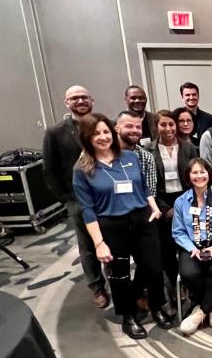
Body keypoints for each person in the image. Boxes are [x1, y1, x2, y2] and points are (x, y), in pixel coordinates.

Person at [71, 113, 171, 338]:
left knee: (153, 268)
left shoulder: (129, 157)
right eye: (96, 133)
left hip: (142, 218)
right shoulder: (83, 169)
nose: (103, 137)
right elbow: (87, 210)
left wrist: (154, 207)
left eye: (106, 131)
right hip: (111, 224)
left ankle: (156, 306)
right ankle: (128, 316)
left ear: (113, 132)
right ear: (87, 138)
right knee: (119, 275)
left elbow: (144, 188)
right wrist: (99, 244)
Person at [42, 85, 108, 308]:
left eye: (84, 97)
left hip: (106, 197)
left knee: (111, 241)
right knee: (88, 245)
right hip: (77, 200)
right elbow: (49, 171)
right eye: (74, 98)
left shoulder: (101, 125)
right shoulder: (55, 132)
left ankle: (118, 282)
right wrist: (66, 199)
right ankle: (97, 287)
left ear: (92, 100)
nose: (80, 101)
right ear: (66, 103)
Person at [172, 158, 212, 334]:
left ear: (209, 174)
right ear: (188, 176)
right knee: (188, 273)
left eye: (202, 172)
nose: (199, 176)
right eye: (194, 172)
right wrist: (192, 249)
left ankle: (199, 313)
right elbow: (178, 232)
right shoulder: (181, 202)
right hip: (191, 244)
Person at [149, 110, 198, 299]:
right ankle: (174, 286)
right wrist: (165, 209)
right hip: (161, 203)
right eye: (163, 124)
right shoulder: (150, 151)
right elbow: (150, 185)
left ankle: (190, 283)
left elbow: (196, 178)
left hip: (186, 199)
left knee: (188, 243)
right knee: (167, 249)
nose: (168, 128)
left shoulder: (188, 148)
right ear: (156, 126)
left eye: (171, 124)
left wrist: (183, 208)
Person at [115, 111, 157, 201]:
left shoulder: (146, 157)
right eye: (129, 126)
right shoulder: (101, 153)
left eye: (138, 127)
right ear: (116, 129)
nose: (135, 130)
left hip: (138, 209)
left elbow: (150, 193)